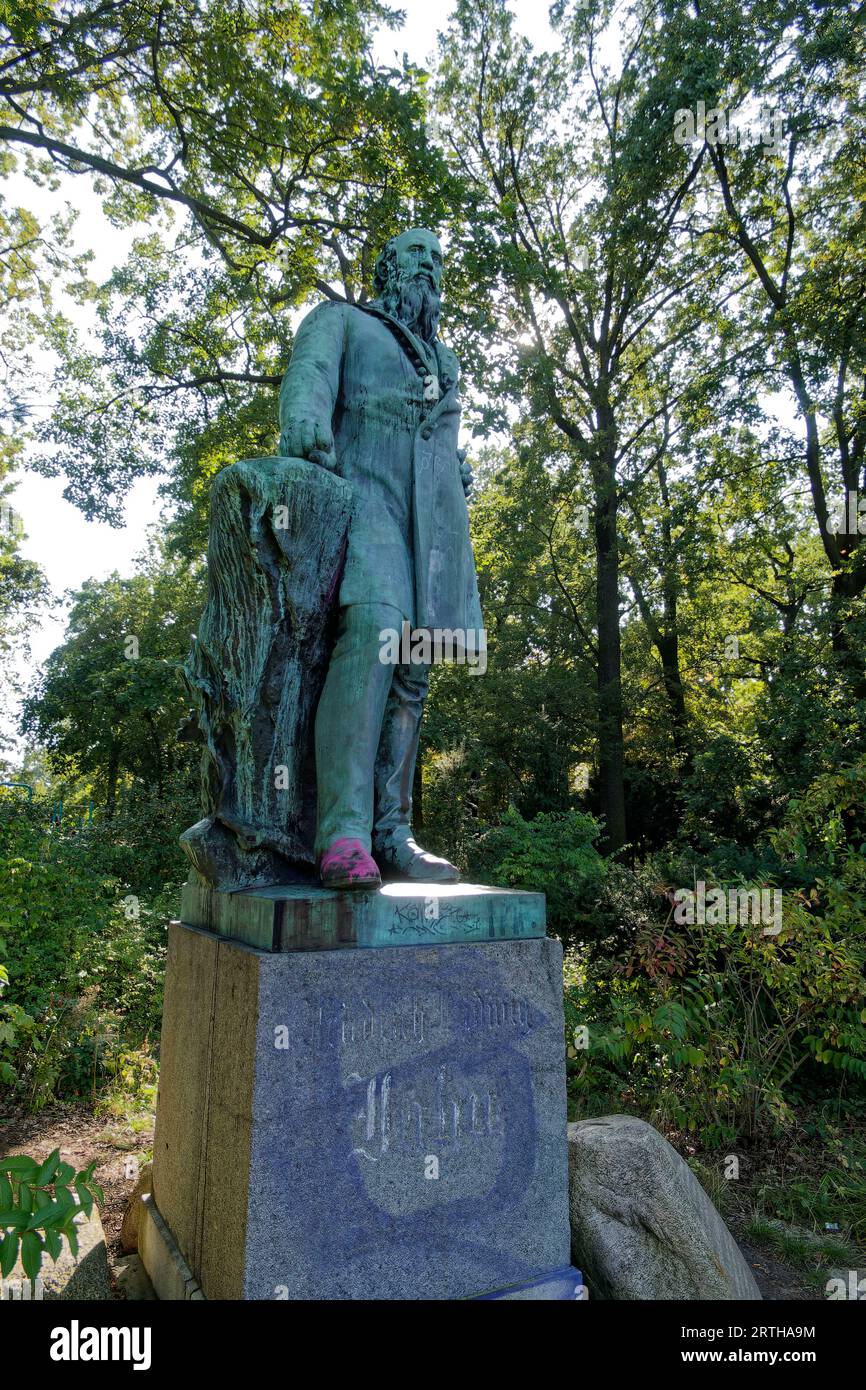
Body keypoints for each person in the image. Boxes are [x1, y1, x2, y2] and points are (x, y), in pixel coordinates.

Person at [278, 228, 483, 889]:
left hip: (436, 531)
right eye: (412, 256)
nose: (426, 268)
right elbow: (309, 374)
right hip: (365, 501)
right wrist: (305, 422)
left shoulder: (446, 361)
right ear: (384, 268)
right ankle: (342, 832)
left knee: (415, 671)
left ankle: (393, 832)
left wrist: (457, 466)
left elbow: (436, 436)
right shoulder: (343, 320)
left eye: (436, 259)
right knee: (376, 632)